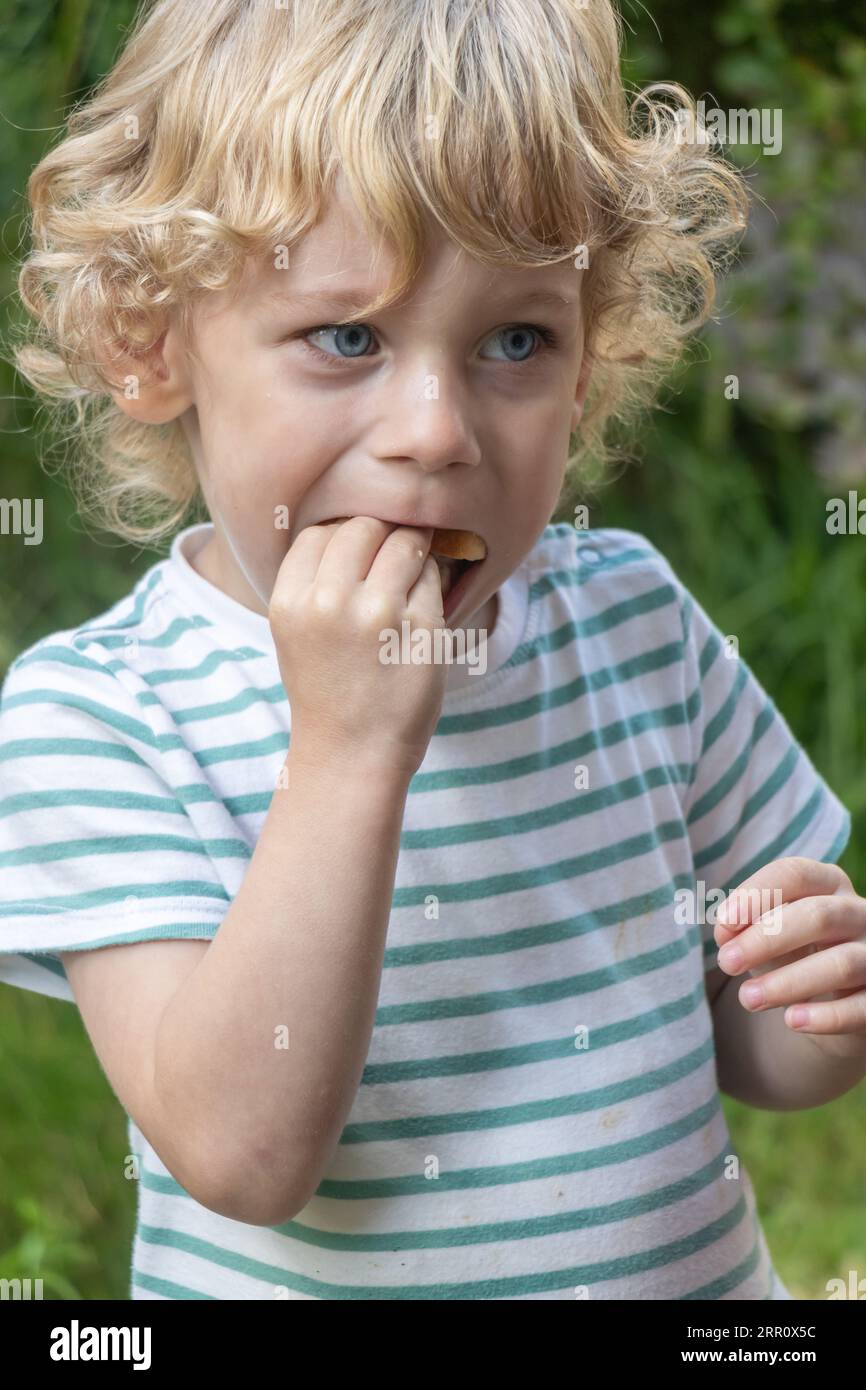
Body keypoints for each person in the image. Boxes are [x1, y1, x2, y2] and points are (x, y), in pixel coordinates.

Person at [2, 0, 864, 1301]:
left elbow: (757, 1055)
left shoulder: (635, 622)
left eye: (513, 341)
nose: (432, 429)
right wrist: (348, 754)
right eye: (345, 337)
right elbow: (242, 1152)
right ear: (152, 341)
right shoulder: (104, 712)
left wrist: (815, 992)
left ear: (586, 361)